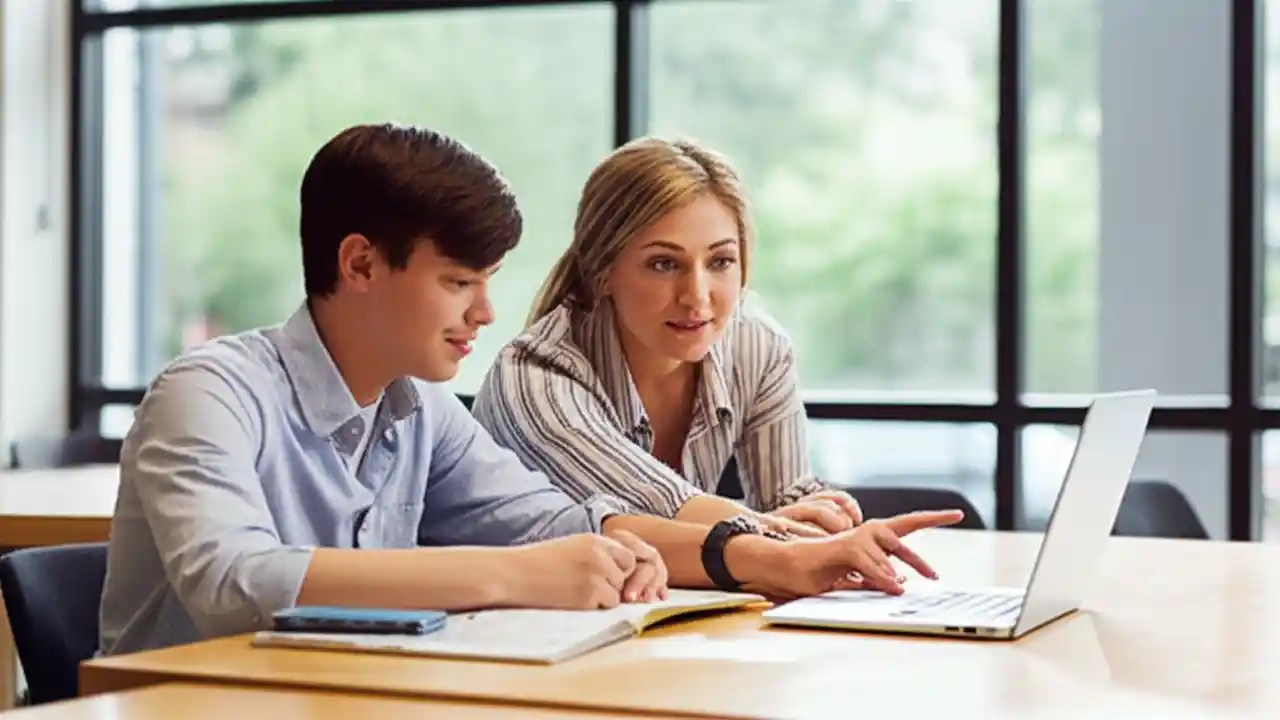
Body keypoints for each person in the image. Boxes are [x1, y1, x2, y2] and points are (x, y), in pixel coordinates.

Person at [102, 125, 960, 656]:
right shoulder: (207, 393)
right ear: (360, 263)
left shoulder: (423, 413)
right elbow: (234, 581)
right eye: (458, 281)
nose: (487, 311)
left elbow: (568, 525)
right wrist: (517, 575)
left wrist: (774, 560)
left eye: (489, 279)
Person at [473, 137, 905, 535]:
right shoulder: (534, 374)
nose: (697, 297)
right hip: (523, 615)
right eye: (664, 264)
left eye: (720, 262)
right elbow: (655, 508)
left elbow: (785, 501)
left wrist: (824, 515)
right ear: (601, 273)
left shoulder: (757, 347)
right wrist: (783, 534)